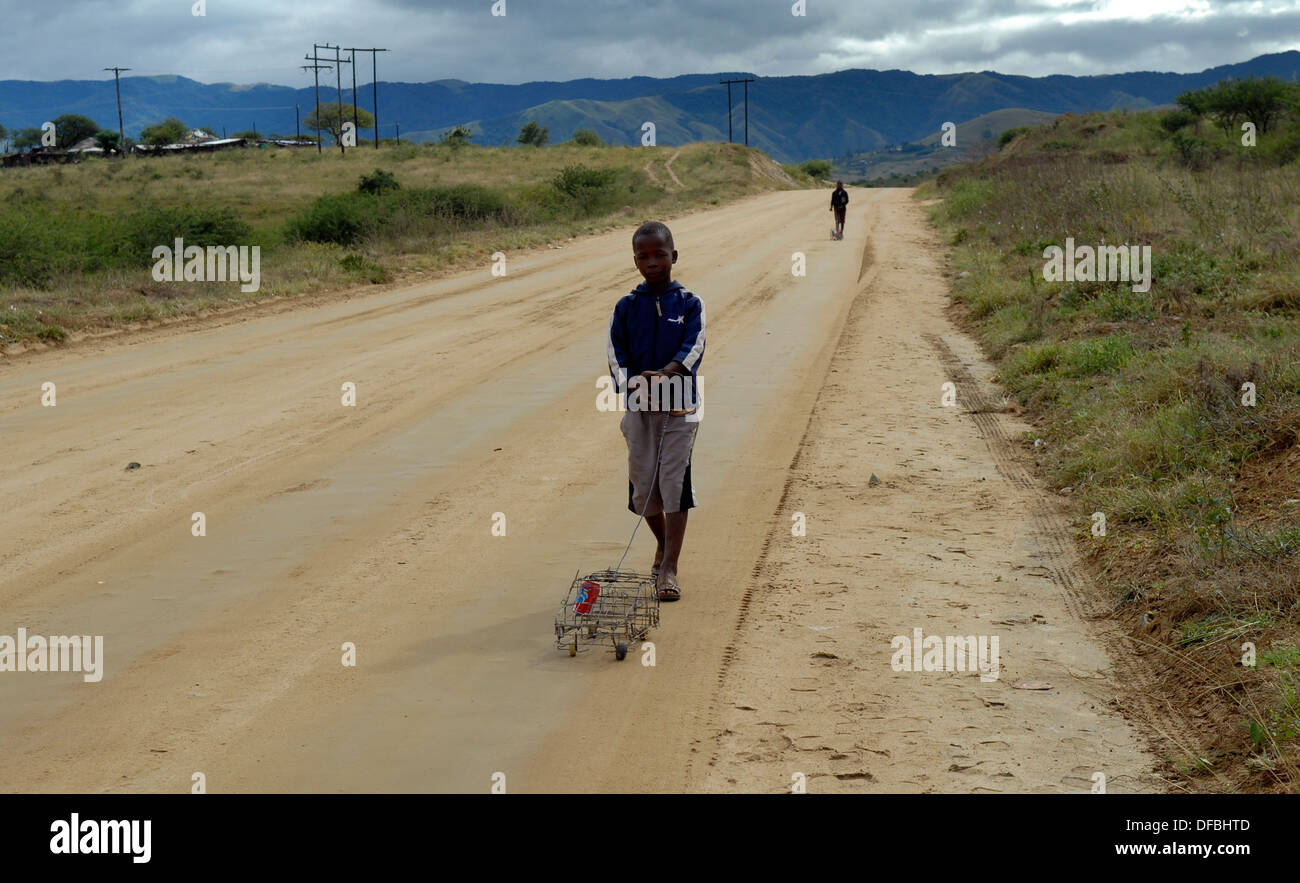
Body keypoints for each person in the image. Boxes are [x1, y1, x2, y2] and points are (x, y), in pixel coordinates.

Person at [606, 221, 705, 601]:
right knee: (643, 488)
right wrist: (631, 382)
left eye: (659, 255)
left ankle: (669, 568)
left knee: (674, 486)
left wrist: (667, 373)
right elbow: (616, 355)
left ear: (673, 257)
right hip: (638, 407)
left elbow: (694, 347)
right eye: (644, 256)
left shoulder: (690, 303)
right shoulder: (627, 307)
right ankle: (662, 543)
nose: (652, 263)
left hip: (679, 408)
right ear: (635, 262)